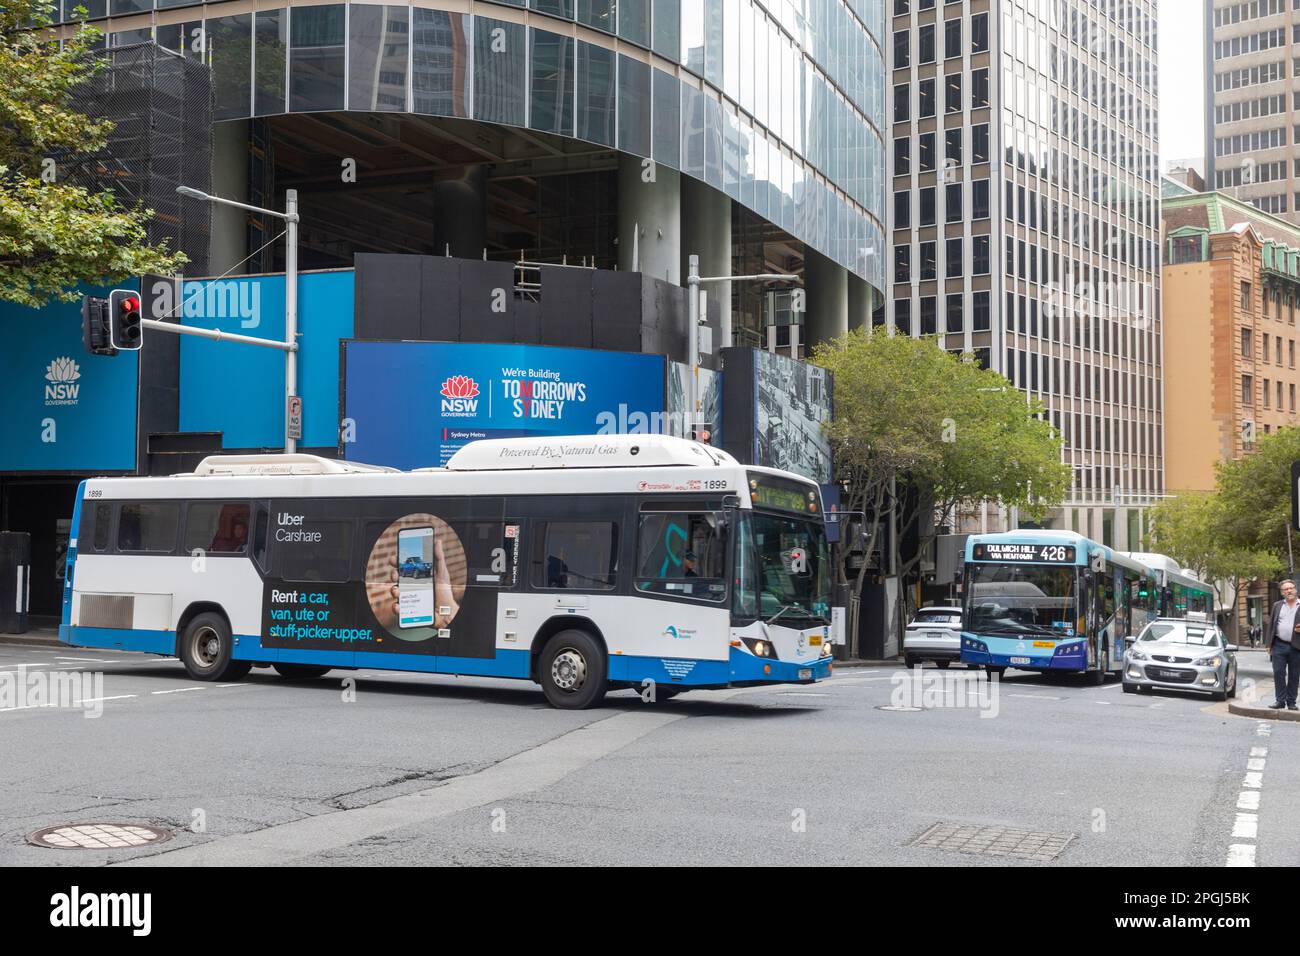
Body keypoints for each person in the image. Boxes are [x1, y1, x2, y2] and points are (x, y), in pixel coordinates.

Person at [1266, 580, 1300, 710]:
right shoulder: (1277, 606)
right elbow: (1271, 625)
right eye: (1286, 589)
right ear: (1282, 593)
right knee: (1278, 672)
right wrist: (1268, 644)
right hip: (1279, 645)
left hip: (1296, 646)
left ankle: (1291, 702)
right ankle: (1280, 701)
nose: (1289, 591)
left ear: (1296, 589)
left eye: (1291, 588)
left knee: (1294, 674)